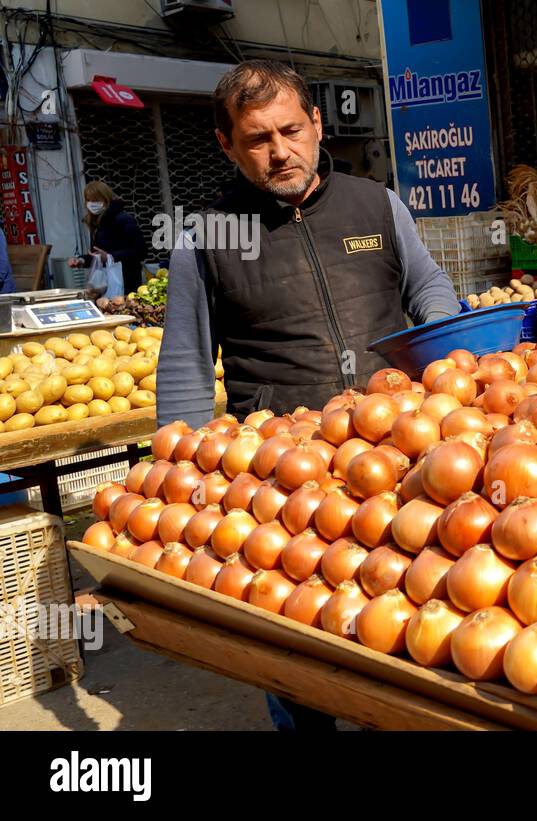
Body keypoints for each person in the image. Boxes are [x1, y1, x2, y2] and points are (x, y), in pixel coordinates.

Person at [156, 59, 460, 729]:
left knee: (403, 617)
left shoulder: (375, 203)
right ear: (227, 144)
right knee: (295, 642)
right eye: (258, 138)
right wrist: (173, 475)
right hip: (283, 473)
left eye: (291, 130)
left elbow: (428, 285)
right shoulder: (207, 234)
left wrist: (449, 351)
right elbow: (184, 358)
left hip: (396, 457)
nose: (280, 151)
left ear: (318, 124)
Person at [67, 181, 147, 293]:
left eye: (95, 199)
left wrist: (110, 257)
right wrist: (81, 260)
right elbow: (98, 255)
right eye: (88, 200)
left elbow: (141, 251)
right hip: (106, 286)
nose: (91, 203)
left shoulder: (123, 219)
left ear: (105, 199)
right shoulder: (97, 224)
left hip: (127, 284)